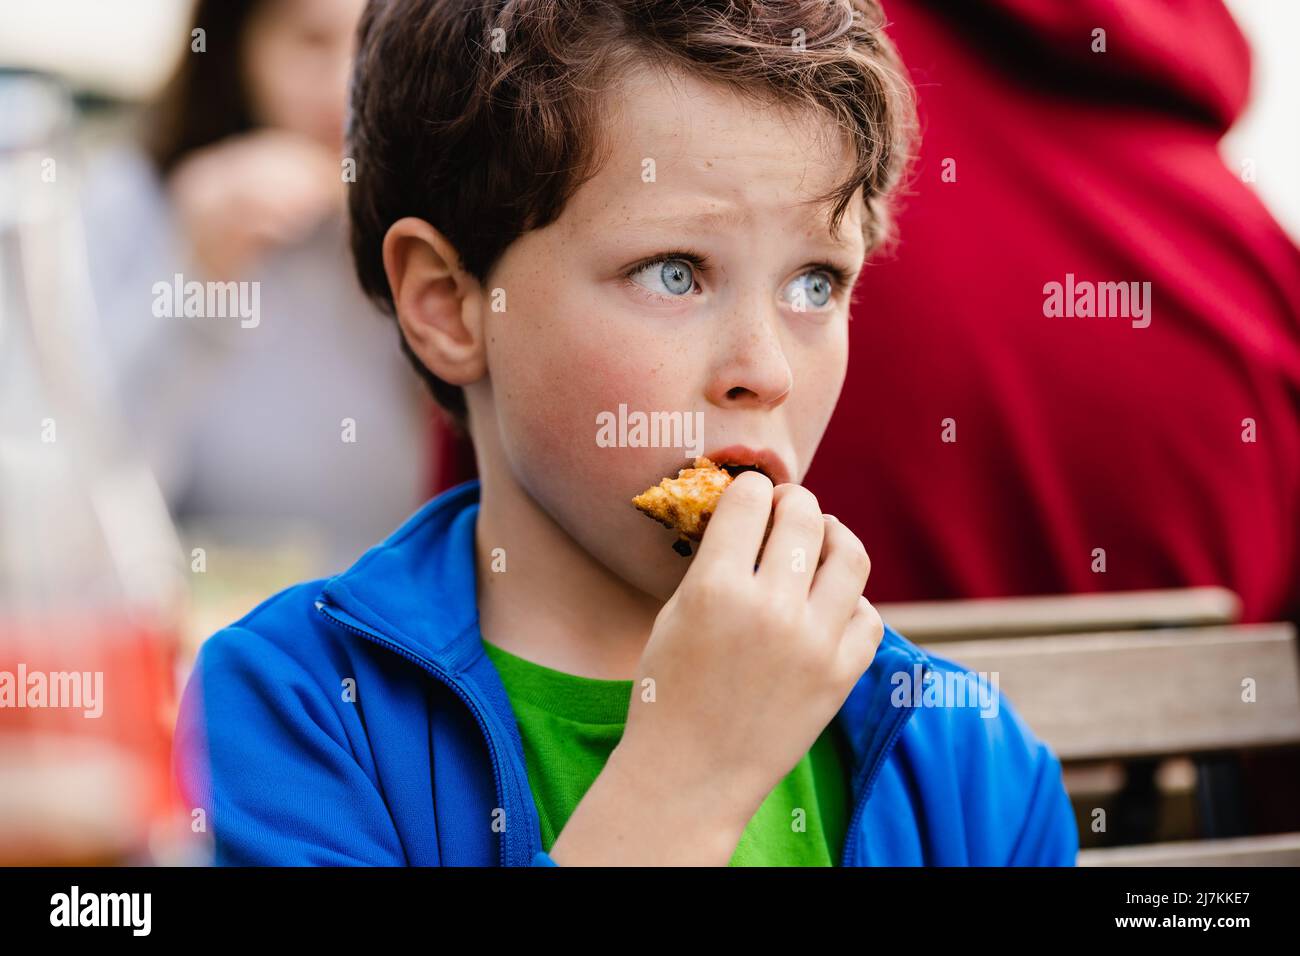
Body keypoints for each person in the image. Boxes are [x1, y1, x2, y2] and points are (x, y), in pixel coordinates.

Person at [173, 0, 1078, 866]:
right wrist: (688, 780)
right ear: (449, 306)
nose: (767, 370)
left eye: (815, 283)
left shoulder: (970, 765)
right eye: (675, 273)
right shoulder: (292, 716)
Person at [81, 0, 432, 575]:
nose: (348, 81)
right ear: (236, 47)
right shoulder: (140, 200)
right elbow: (90, 486)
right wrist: (199, 278)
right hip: (213, 616)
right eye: (312, 42)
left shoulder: (449, 209)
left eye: (375, 42)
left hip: (404, 617)